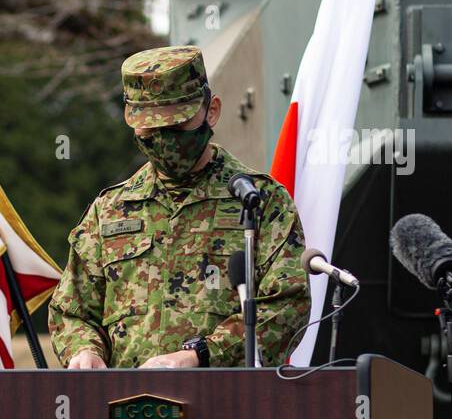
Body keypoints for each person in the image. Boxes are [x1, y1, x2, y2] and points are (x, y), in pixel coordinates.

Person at [49, 45, 310, 369]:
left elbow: (288, 304)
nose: (163, 140)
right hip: (130, 412)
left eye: (175, 127)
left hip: (228, 405)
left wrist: (200, 355)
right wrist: (84, 350)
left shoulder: (259, 201)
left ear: (210, 111)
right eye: (150, 130)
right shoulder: (109, 211)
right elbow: (72, 311)